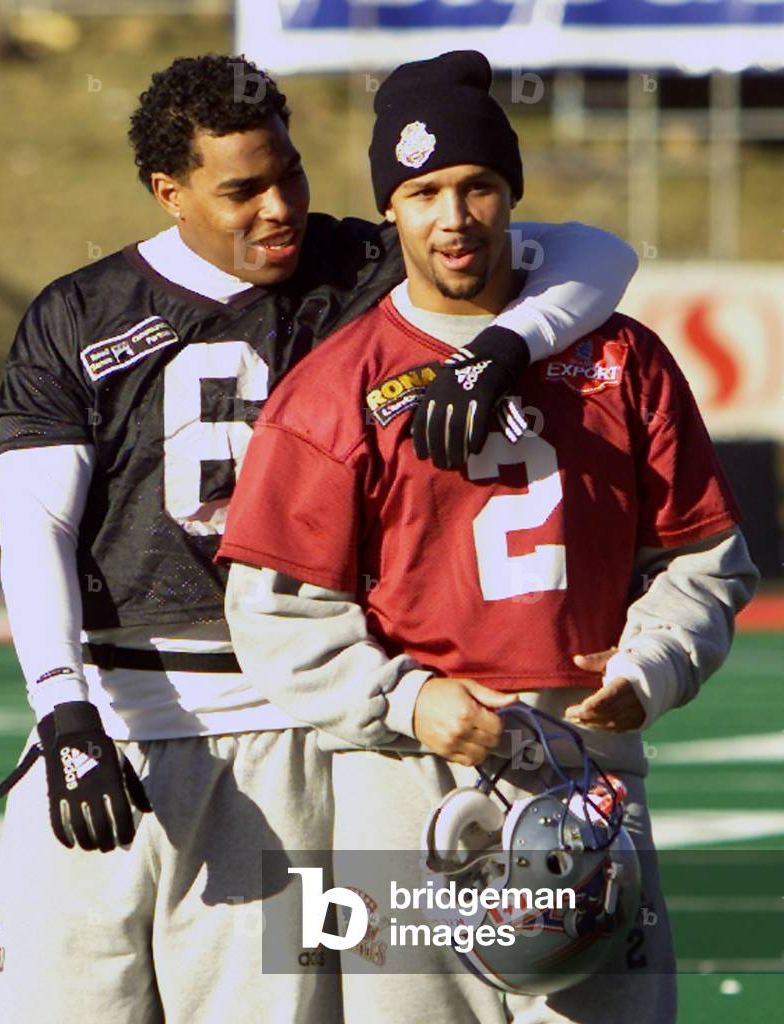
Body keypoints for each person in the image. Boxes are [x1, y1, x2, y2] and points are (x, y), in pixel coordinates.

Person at [0, 53, 640, 1024]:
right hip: (108, 726)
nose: (279, 206)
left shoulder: (360, 269)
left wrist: (504, 343)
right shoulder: (82, 313)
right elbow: (34, 524)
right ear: (170, 194)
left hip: (287, 723)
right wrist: (61, 710)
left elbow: (593, 252)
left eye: (287, 172)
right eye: (241, 190)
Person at [220, 51, 759, 1024]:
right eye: (422, 192)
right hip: (405, 774)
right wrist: (406, 699)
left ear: (512, 193)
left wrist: (650, 667)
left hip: (583, 757)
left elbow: (703, 557)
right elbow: (271, 609)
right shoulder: (337, 385)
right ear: (390, 208)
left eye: (475, 186)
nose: (453, 216)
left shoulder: (619, 357)